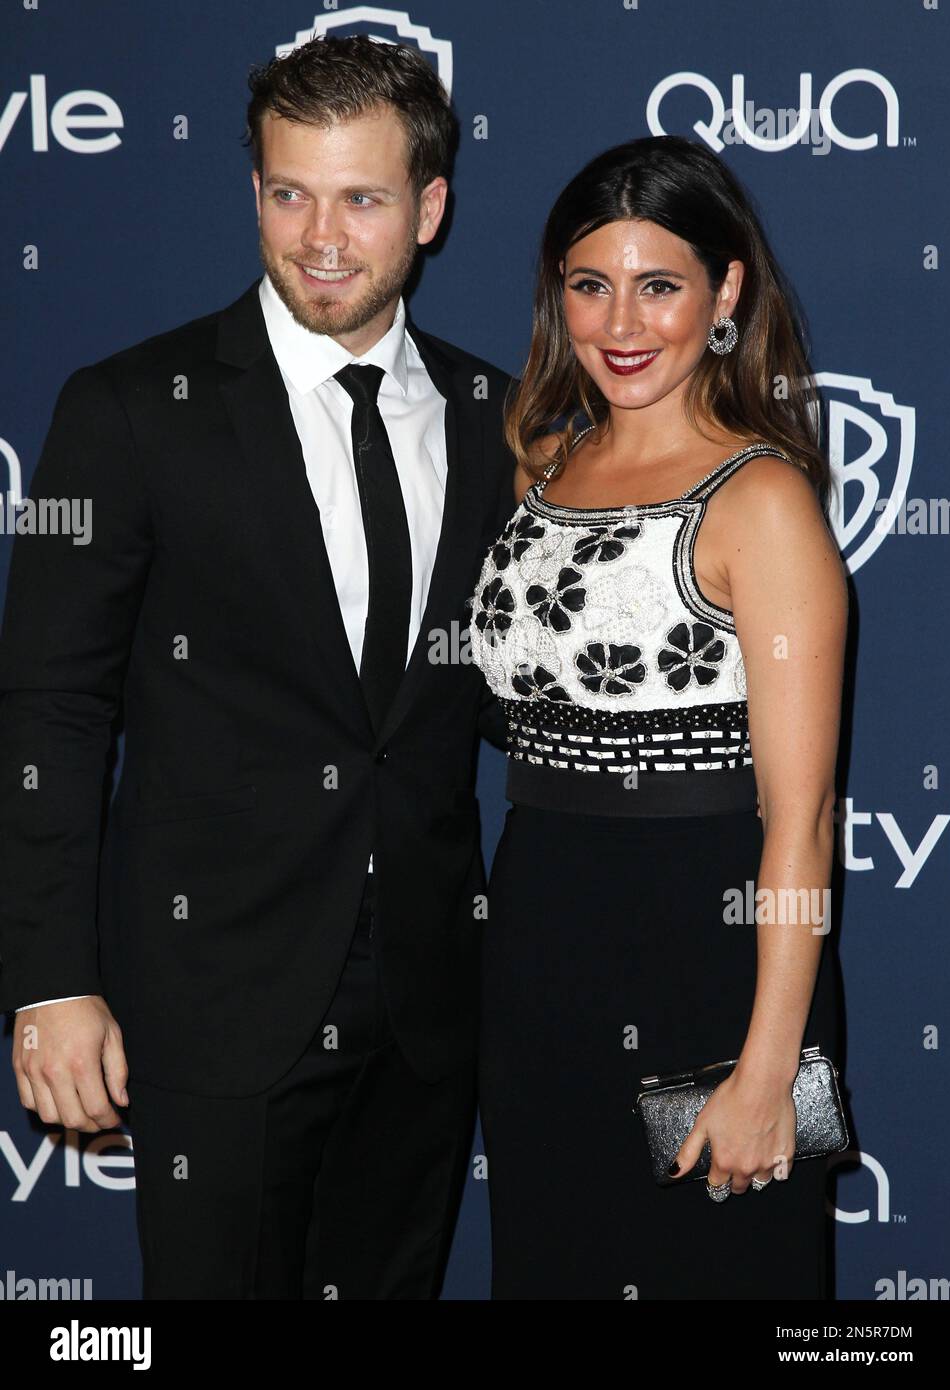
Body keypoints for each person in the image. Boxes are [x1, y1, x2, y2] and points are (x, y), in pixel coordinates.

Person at [0, 34, 515, 1299]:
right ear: (253, 193)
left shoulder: (500, 417)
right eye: (289, 192)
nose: (320, 236)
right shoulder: (130, 408)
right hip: (214, 1000)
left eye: (362, 197)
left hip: (426, 1008)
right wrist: (50, 984)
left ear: (431, 207)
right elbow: (50, 713)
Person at [469, 134, 848, 1300]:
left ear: (725, 291)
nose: (621, 323)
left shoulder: (762, 498)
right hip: (540, 942)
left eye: (660, 284)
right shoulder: (538, 459)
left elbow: (801, 817)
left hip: (706, 946)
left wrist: (767, 1067)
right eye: (591, 285)